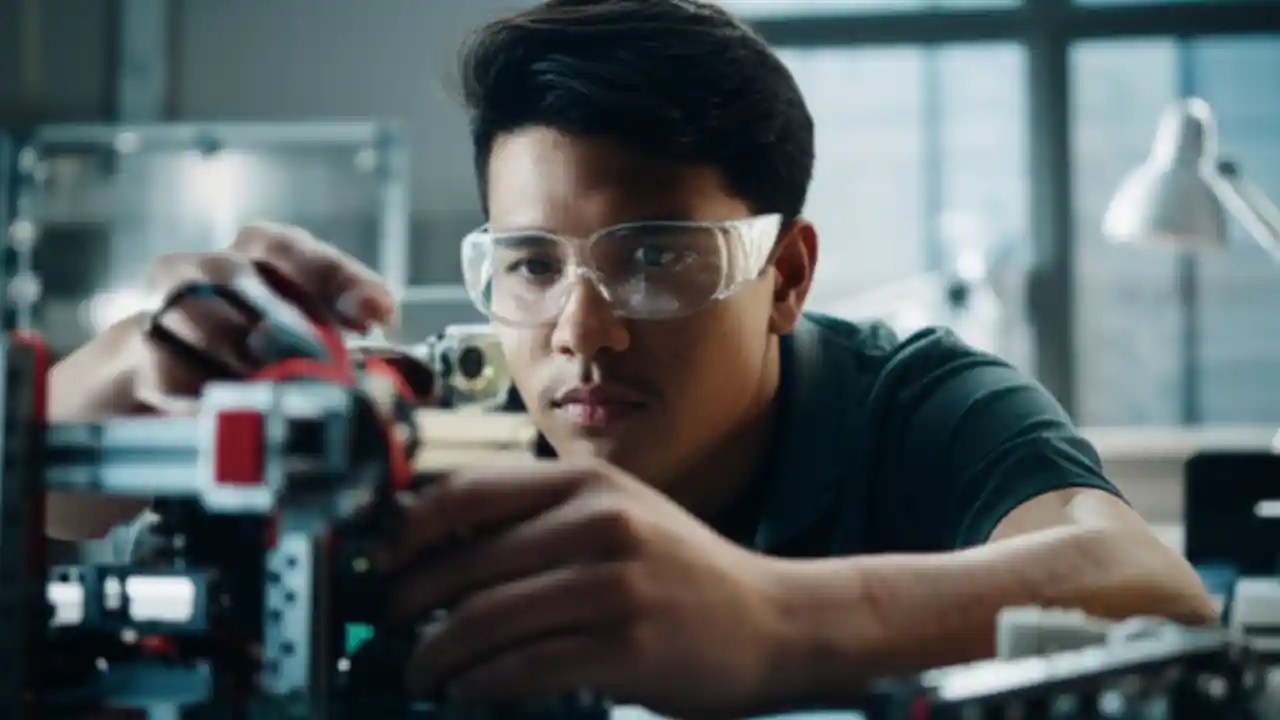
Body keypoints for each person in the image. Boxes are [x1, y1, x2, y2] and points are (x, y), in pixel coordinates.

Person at [46, 0, 1215, 717]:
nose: (579, 332)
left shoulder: (913, 405)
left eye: (654, 257)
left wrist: (769, 622)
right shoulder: (440, 414)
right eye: (532, 262)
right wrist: (111, 386)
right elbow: (56, 502)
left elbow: (1146, 591)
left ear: (788, 277)